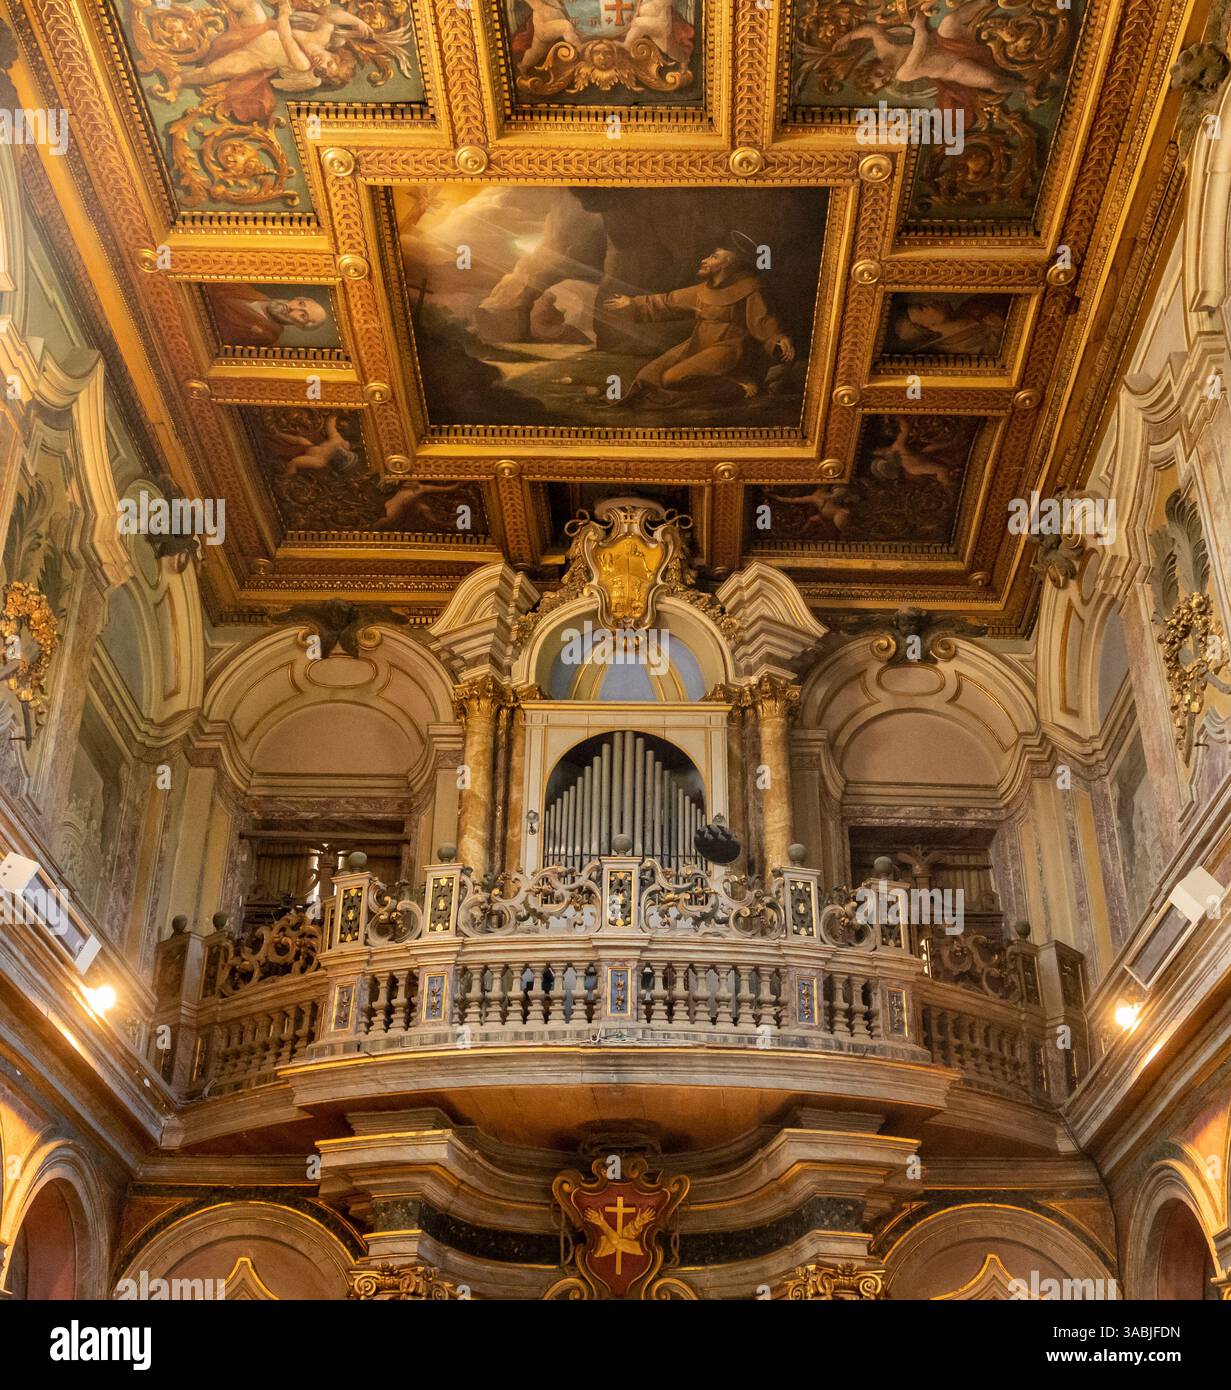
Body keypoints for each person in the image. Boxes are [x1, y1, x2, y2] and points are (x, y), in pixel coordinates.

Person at [602, 233, 793, 406]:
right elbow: (668, 302)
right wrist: (633, 303)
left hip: (730, 349)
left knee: (671, 379)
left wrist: (777, 337)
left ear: (729, 264)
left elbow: (762, 320)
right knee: (647, 377)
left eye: (714, 257)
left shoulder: (750, 288)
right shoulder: (703, 290)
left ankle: (737, 385)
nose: (705, 260)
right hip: (699, 344)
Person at [207, 284, 329, 347]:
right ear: (296, 299)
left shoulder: (266, 335)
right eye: (300, 303)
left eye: (302, 315)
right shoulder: (255, 294)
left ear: (300, 326)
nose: (293, 307)